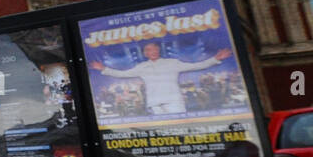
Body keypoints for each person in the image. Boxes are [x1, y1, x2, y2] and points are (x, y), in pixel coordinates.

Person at [90, 41, 231, 116]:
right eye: (149, 50)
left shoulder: (172, 63)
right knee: (163, 131)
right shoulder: (142, 66)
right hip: (154, 102)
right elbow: (122, 74)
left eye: (155, 49)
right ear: (145, 53)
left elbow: (197, 66)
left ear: (159, 50)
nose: (152, 52)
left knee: (180, 127)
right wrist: (104, 69)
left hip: (173, 101)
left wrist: (215, 59)